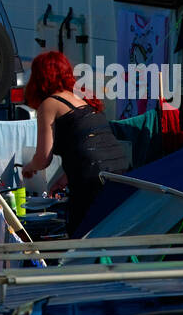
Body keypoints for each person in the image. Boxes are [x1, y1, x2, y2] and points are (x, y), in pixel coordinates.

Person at [21, 50, 129, 235]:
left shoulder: (50, 103)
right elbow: (87, 142)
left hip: (93, 177)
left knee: (82, 233)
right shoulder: (83, 97)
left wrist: (29, 167)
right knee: (109, 231)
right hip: (121, 169)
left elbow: (43, 158)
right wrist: (65, 178)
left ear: (39, 78)